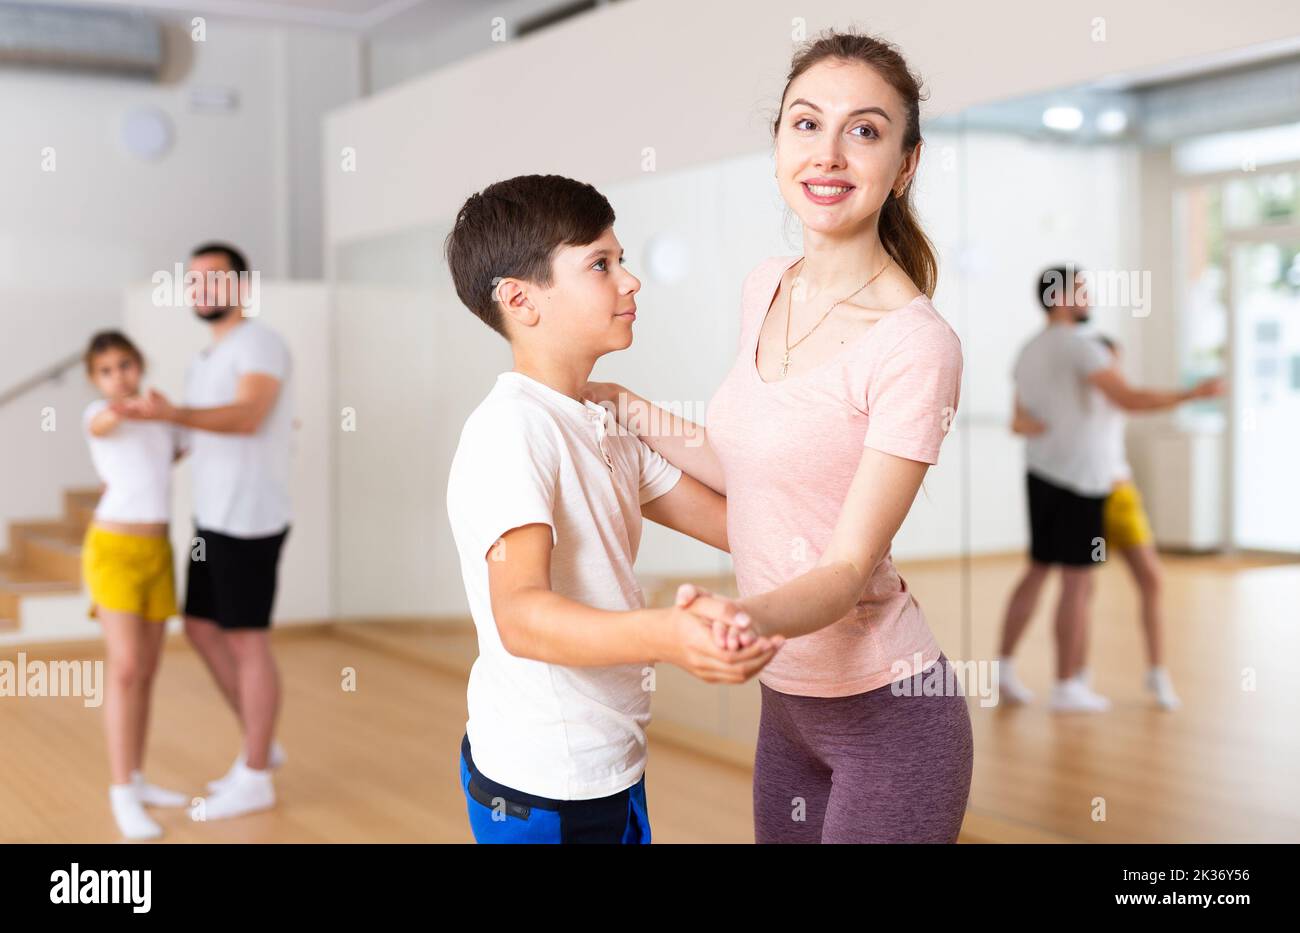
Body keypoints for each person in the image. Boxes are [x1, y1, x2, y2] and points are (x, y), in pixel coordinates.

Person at [586, 30, 973, 843]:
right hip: (787, 710)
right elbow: (745, 461)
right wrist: (616, 399)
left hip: (890, 717)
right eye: (806, 123)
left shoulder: (915, 344)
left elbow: (845, 566)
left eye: (864, 130)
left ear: (905, 164)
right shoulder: (768, 284)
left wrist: (745, 614)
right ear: (776, 143)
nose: (828, 153)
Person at [443, 174, 783, 844]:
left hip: (611, 765)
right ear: (520, 299)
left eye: (620, 260)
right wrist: (671, 634)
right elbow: (523, 617)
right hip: (542, 787)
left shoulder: (601, 421)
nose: (630, 281)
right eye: (601, 264)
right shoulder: (511, 431)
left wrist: (630, 405)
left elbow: (747, 514)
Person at [116, 242, 293, 819]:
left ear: (241, 287)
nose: (199, 290)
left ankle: (256, 773)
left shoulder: (259, 343)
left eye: (213, 279)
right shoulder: (203, 360)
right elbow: (191, 437)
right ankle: (258, 745)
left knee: (247, 640)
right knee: (198, 626)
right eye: (192, 282)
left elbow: (246, 418)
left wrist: (171, 415)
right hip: (212, 517)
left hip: (249, 518)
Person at [998, 266, 1222, 712]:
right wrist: (1192, 395)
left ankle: (1004, 668)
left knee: (1041, 569)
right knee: (1077, 582)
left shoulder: (1028, 351)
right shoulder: (1079, 347)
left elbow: (1021, 418)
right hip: (1080, 482)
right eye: (1081, 290)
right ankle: (1066, 685)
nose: (1088, 297)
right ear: (1062, 296)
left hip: (1042, 475)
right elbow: (1131, 399)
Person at [1013, 335, 1195, 710]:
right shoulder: (1070, 395)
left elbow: (1132, 398)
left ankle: (1156, 672)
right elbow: (1024, 419)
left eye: (1114, 366)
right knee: (1080, 587)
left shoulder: (1111, 390)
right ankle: (1075, 674)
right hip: (1083, 492)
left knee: (1150, 578)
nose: (1110, 373)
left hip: (1120, 495)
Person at [81, 330, 189, 839]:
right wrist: (124, 410)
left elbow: (182, 447)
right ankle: (121, 791)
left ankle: (139, 780)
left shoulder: (158, 420)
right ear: (93, 379)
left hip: (157, 552)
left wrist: (165, 413)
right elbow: (103, 424)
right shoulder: (98, 416)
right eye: (106, 371)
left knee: (145, 672)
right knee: (124, 669)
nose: (118, 376)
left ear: (138, 364)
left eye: (125, 365)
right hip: (113, 552)